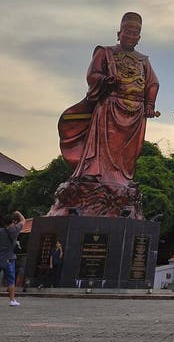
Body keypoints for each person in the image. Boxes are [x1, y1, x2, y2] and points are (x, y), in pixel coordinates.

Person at [50, 12, 160, 218]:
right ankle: (94, 173)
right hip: (110, 105)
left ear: (139, 38)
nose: (130, 36)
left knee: (125, 155)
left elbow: (153, 83)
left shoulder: (143, 60)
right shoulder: (106, 53)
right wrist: (104, 81)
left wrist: (150, 104)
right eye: (127, 31)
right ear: (119, 33)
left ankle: (122, 179)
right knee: (101, 147)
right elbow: (92, 75)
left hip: (135, 111)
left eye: (135, 33)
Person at [0, 211, 26, 307]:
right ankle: (12, 300)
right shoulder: (15, 230)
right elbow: (23, 220)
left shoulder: (1, 231)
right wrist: (18, 213)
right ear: (12, 222)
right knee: (11, 280)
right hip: (9, 259)